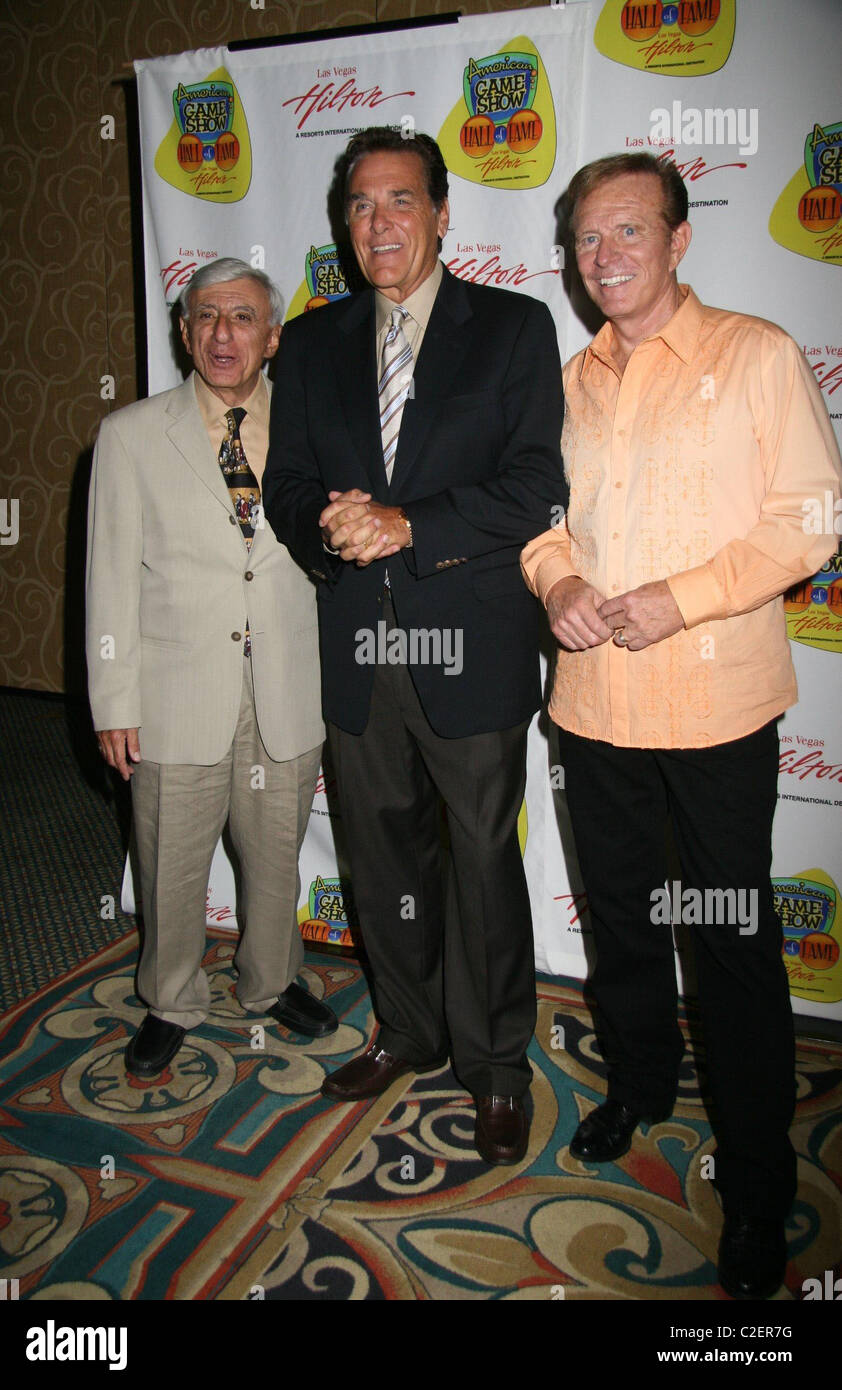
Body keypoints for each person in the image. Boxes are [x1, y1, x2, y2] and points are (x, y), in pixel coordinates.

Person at [521, 153, 842, 1296]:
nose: (602, 257)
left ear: (676, 238)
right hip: (595, 706)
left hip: (712, 710)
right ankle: (638, 1085)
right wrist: (555, 581)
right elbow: (539, 516)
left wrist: (684, 595)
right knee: (617, 916)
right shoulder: (567, 381)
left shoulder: (754, 356)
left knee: (726, 941)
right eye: (584, 240)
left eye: (625, 233)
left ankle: (756, 1183)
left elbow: (810, 520)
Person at [262, 127, 567, 1165]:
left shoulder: (513, 329)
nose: (376, 222)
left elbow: (534, 484)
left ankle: (492, 1065)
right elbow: (288, 484)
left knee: (481, 858)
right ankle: (407, 1028)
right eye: (358, 204)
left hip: (468, 638)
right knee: (378, 848)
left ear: (442, 214)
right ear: (342, 224)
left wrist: (407, 523)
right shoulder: (306, 343)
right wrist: (329, 526)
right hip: (355, 639)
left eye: (398, 201)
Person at [86, 257, 336, 1079]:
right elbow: (109, 578)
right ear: (185, 331)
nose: (222, 334)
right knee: (169, 860)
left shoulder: (316, 429)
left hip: (288, 686)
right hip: (172, 693)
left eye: (241, 318)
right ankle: (169, 996)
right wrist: (113, 700)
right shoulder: (129, 435)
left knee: (275, 854)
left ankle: (271, 982)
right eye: (205, 317)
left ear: (272, 336)